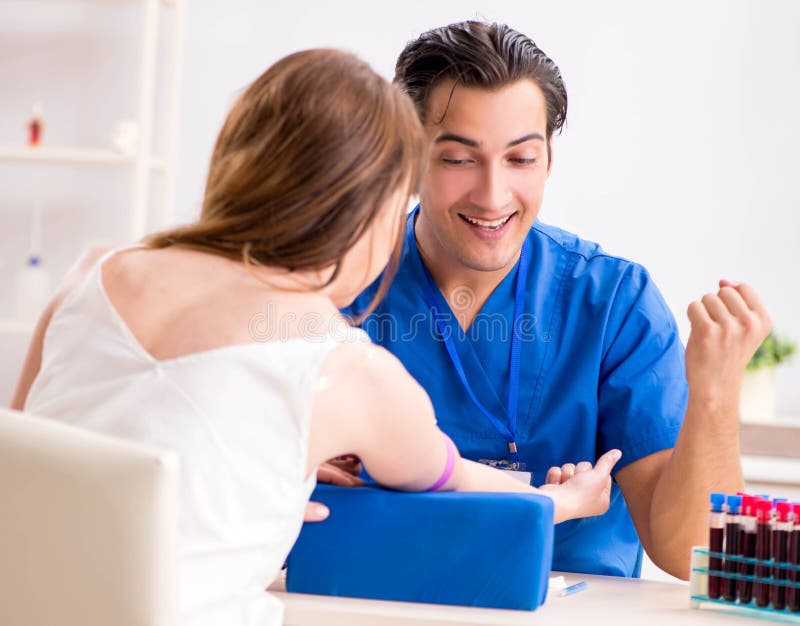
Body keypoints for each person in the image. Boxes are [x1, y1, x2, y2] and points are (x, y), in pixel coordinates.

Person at [10, 49, 621, 626]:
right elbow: (463, 484)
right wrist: (565, 502)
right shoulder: (345, 369)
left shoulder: (94, 269)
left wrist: (239, 498)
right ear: (378, 209)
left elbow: (28, 460)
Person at [346, 21, 771, 580]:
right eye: (457, 159)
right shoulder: (341, 285)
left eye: (520, 159)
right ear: (406, 156)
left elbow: (696, 556)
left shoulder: (613, 303)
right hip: (371, 601)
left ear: (549, 160)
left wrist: (713, 396)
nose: (493, 195)